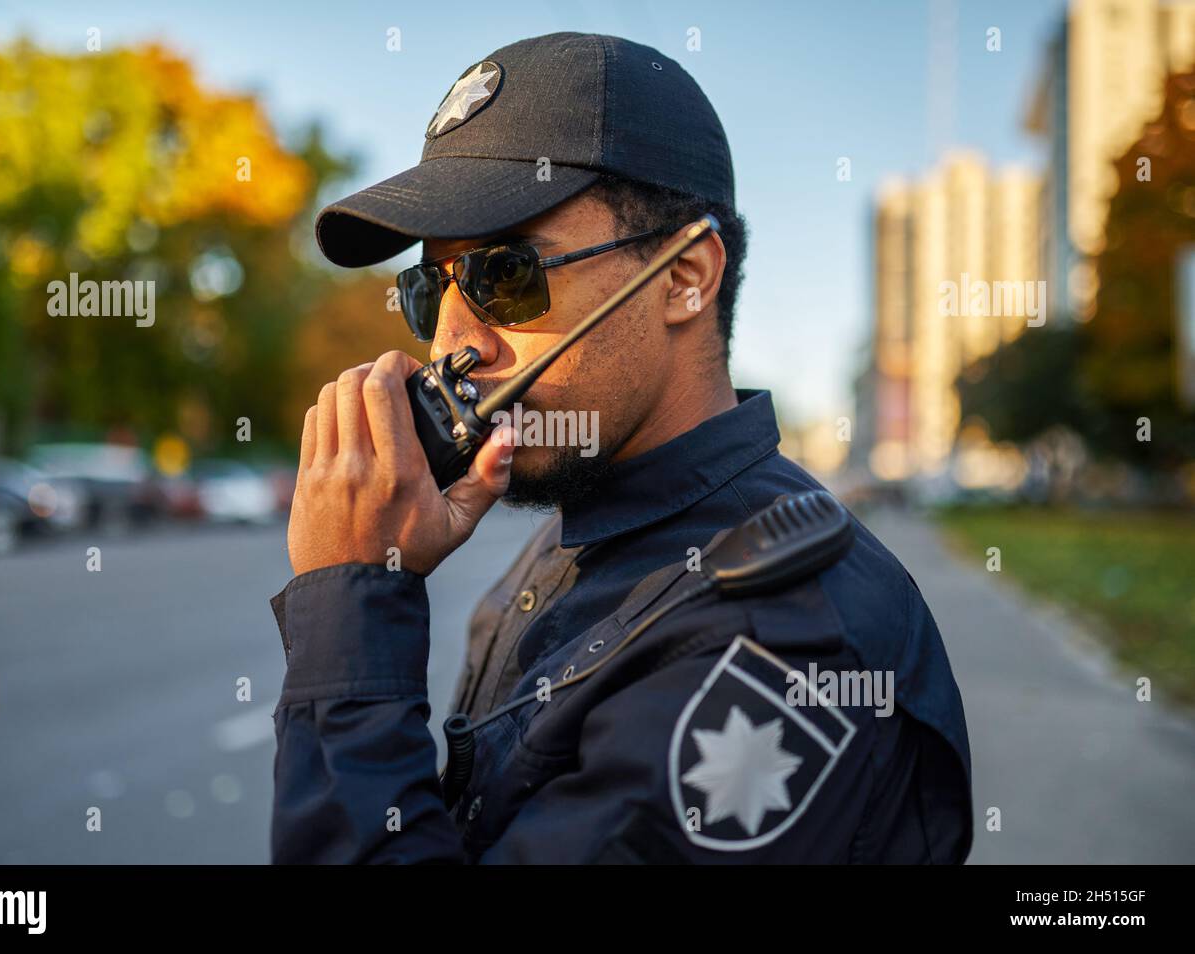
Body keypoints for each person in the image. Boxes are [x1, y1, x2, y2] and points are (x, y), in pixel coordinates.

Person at [268, 31, 972, 863]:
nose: (453, 342)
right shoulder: (585, 523)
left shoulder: (780, 643)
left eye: (504, 274)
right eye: (430, 290)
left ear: (685, 278)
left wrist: (348, 614)